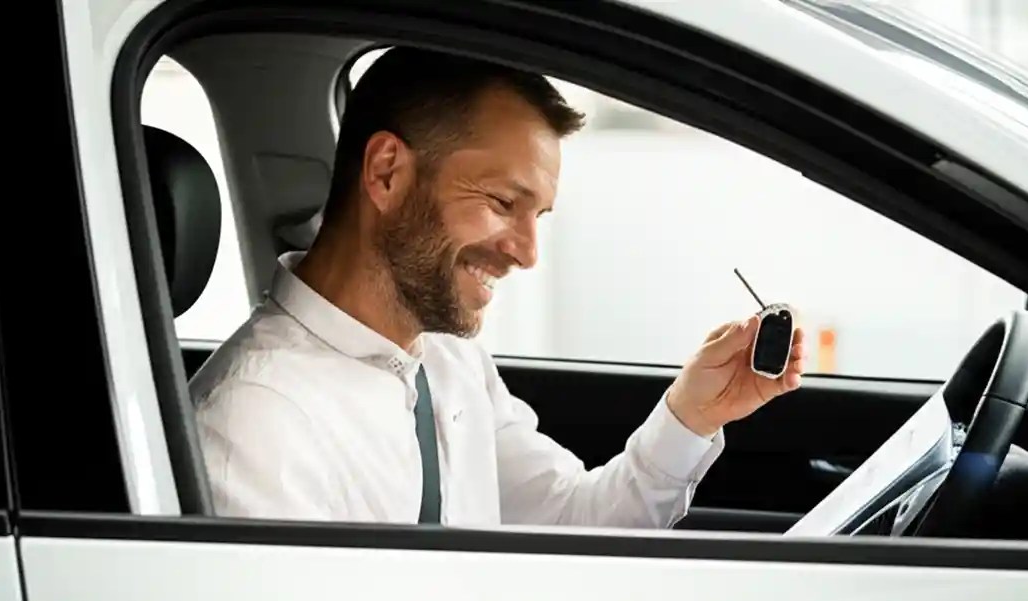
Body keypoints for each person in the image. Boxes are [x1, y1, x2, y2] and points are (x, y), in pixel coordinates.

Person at [189, 46, 807, 527]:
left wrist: (692, 415)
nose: (527, 253)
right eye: (502, 201)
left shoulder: (448, 360)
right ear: (386, 172)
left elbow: (573, 522)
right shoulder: (256, 422)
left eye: (535, 216)